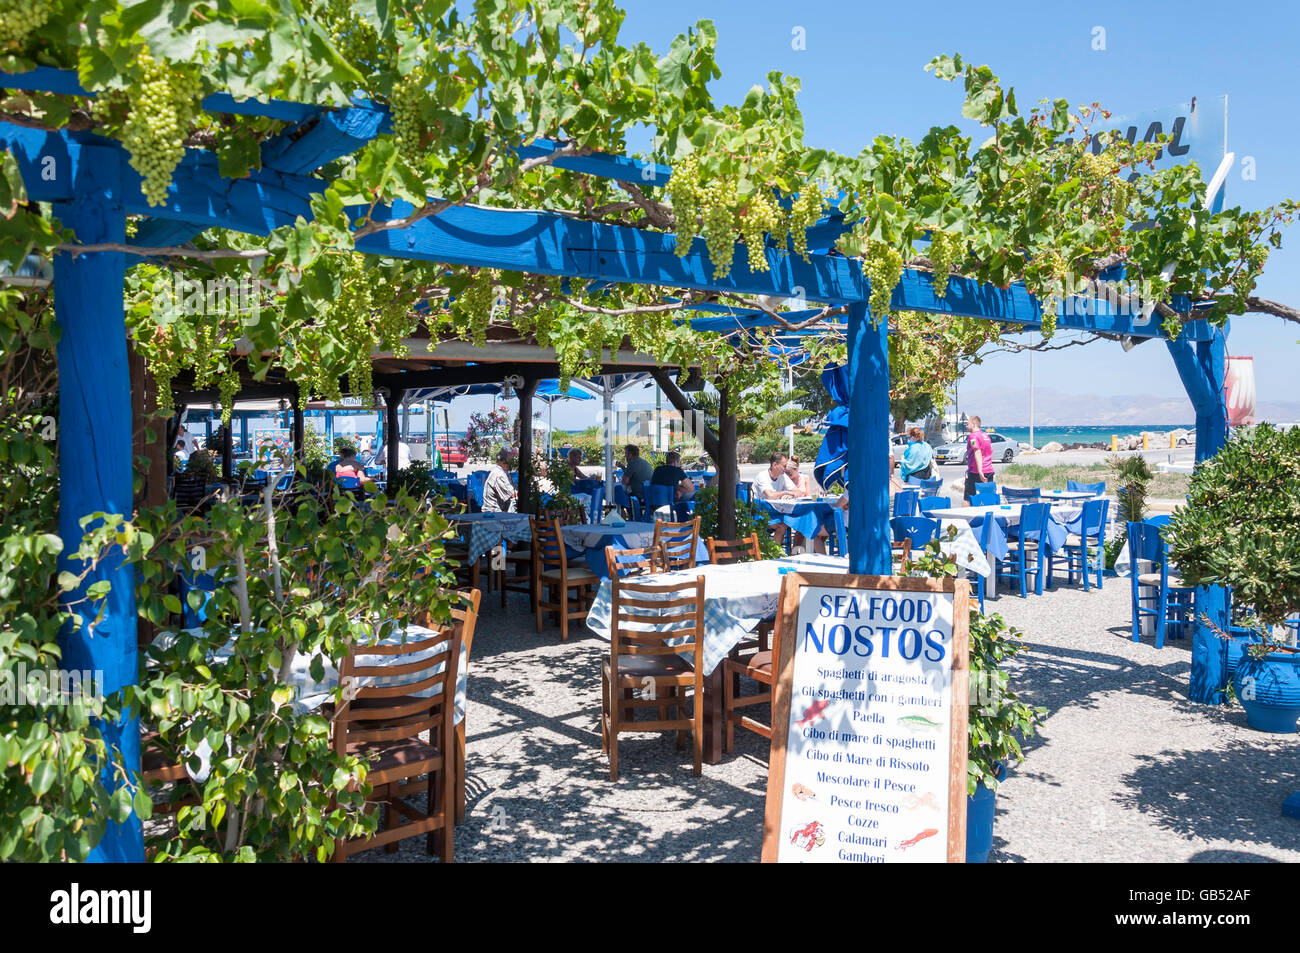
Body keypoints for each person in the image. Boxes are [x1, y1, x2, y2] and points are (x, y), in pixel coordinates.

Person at [753, 451, 799, 549]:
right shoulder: (762, 476)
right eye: (784, 465)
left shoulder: (782, 476)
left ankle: (794, 553)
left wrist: (791, 495)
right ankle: (774, 553)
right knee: (782, 526)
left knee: (799, 522)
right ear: (774, 465)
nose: (786, 468)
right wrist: (785, 493)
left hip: (775, 511)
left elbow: (798, 491)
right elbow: (770, 495)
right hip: (760, 513)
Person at [964, 415, 995, 503]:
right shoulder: (986, 436)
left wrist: (980, 470)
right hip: (989, 470)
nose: (966, 426)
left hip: (976, 472)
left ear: (974, 424)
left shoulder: (972, 437)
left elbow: (977, 451)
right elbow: (989, 452)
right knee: (987, 498)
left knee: (969, 499)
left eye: (968, 424)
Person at [482, 448, 517, 513]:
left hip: (498, 511)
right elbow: (513, 494)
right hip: (494, 512)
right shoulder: (499, 474)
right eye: (511, 461)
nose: (512, 464)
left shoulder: (501, 471)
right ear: (503, 462)